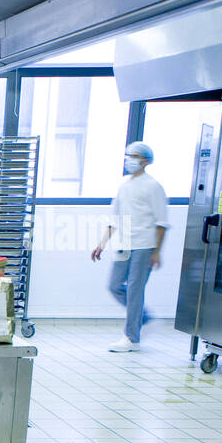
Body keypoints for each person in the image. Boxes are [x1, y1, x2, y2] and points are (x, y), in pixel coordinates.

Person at [91, 141, 169, 352]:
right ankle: (144, 317)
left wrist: (157, 252)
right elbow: (114, 218)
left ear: (146, 161)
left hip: (144, 245)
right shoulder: (124, 184)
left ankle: (131, 338)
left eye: (134, 156)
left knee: (135, 290)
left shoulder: (153, 186)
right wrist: (101, 244)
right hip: (124, 244)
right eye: (128, 155)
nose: (129, 159)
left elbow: (161, 222)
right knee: (114, 285)